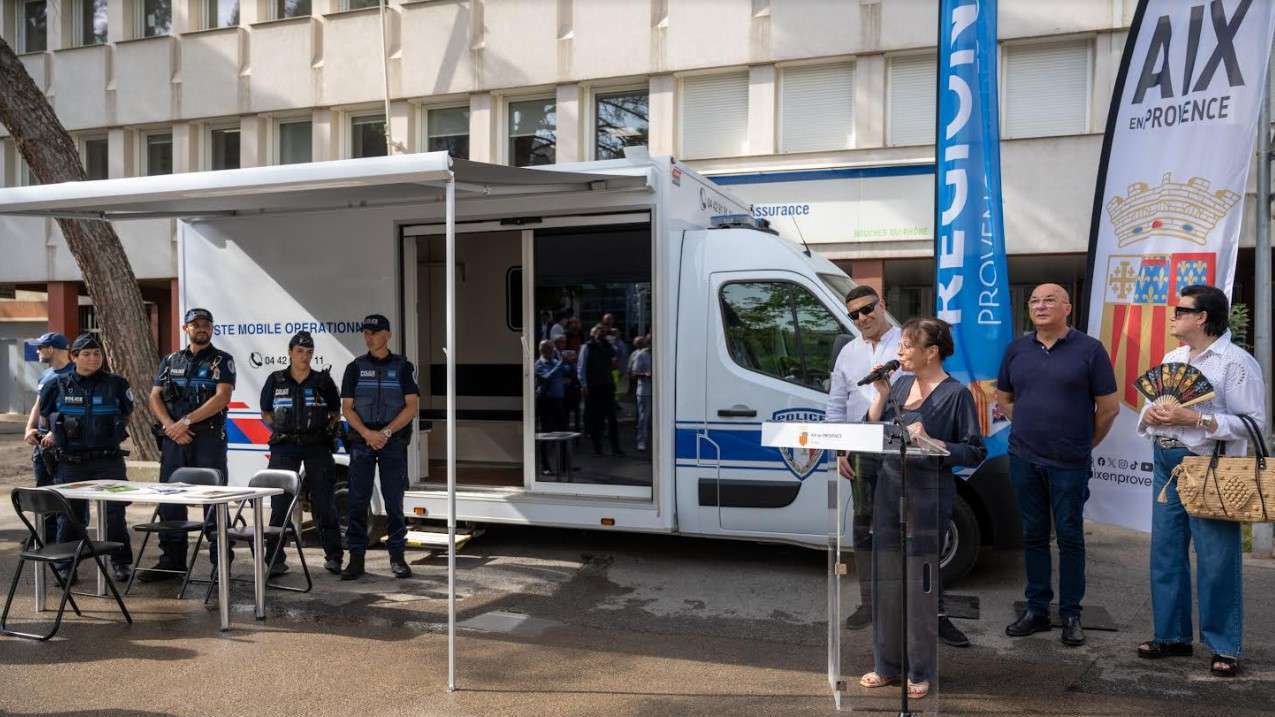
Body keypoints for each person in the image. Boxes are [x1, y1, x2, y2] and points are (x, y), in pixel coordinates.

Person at [1136, 284, 1264, 678]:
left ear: (1202, 317)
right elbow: (1155, 399)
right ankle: (1171, 635)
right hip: (1165, 461)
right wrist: (1153, 415)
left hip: (1207, 463)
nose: (1173, 316)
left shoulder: (1235, 363)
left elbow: (1254, 423)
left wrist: (1197, 419)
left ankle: (1225, 646)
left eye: (1181, 309)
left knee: (1216, 559)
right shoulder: (1173, 356)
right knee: (1166, 552)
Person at [858, 318, 985, 700]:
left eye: (908, 346)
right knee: (886, 583)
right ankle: (886, 665)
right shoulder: (897, 385)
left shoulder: (956, 394)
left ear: (932, 351)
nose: (900, 353)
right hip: (888, 495)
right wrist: (879, 395)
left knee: (919, 587)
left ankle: (919, 669)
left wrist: (934, 442)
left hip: (927, 498)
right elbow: (873, 432)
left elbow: (975, 450)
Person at [996, 283, 1118, 647]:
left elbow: (1108, 408)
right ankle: (1036, 610)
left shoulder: (1090, 350)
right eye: (1034, 300)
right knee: (1033, 536)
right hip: (1024, 458)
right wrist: (1032, 426)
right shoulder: (1017, 349)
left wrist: (1083, 442)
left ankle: (1071, 614)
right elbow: (1004, 399)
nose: (1040, 305)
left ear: (1067, 307)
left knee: (1069, 538)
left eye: (1049, 299)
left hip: (1070, 462)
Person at [140, 308, 235, 581]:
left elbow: (222, 397)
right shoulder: (170, 360)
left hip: (207, 439)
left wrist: (186, 422)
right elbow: (155, 396)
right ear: (186, 329)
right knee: (170, 501)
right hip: (174, 439)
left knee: (213, 501)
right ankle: (172, 561)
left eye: (206, 324)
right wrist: (172, 427)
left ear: (212, 329)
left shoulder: (223, 360)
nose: (201, 328)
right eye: (196, 324)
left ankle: (221, 564)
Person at [38, 333, 134, 583]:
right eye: (87, 354)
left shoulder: (116, 384)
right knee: (70, 515)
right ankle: (66, 566)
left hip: (108, 460)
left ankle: (120, 562)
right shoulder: (55, 385)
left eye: (97, 353)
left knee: (114, 514)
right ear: (74, 357)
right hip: (71, 463)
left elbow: (126, 415)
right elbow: (45, 418)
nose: (93, 358)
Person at [340, 314, 419, 580]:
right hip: (362, 443)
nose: (368, 336)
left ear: (388, 334)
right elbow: (347, 408)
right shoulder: (355, 367)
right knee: (357, 502)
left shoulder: (402, 367)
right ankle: (356, 560)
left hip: (392, 442)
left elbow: (411, 406)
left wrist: (384, 433)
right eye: (365, 332)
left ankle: (397, 558)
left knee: (394, 502)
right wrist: (366, 433)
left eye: (374, 332)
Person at [260, 331, 343, 575]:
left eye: (308, 352)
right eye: (299, 351)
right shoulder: (276, 380)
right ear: (290, 352)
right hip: (284, 446)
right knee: (280, 503)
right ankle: (275, 558)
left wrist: (327, 429)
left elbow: (335, 411)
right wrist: (278, 428)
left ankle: (335, 557)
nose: (304, 357)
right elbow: (265, 411)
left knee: (324, 502)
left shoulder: (323, 382)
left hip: (316, 445)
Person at [23, 332, 74, 541]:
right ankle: (44, 537)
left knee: (62, 495)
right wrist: (29, 428)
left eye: (40, 347)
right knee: (43, 493)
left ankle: (64, 541)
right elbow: (38, 404)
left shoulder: (74, 374)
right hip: (41, 445)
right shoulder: (45, 375)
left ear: (51, 349)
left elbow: (73, 408)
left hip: (61, 445)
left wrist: (55, 432)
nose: (37, 351)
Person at [578, 323, 623, 456]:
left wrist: (615, 340)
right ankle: (598, 448)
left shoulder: (609, 345)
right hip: (594, 387)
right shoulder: (587, 347)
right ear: (593, 333)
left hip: (607, 385)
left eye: (603, 331)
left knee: (612, 419)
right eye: (599, 331)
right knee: (597, 419)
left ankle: (616, 448)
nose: (602, 333)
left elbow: (617, 356)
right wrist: (583, 384)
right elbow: (582, 366)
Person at [534, 340, 569, 473]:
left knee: (564, 433)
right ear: (543, 350)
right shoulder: (538, 364)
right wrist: (560, 364)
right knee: (546, 434)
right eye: (550, 349)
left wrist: (568, 361)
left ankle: (564, 465)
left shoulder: (555, 362)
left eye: (553, 349)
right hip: (546, 402)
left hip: (559, 401)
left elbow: (567, 371)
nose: (552, 351)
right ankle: (545, 466)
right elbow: (546, 378)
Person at [628, 335, 652, 452]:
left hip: (658, 393)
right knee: (644, 417)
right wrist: (646, 375)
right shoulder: (641, 355)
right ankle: (641, 441)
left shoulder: (661, 354)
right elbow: (634, 373)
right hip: (645, 391)